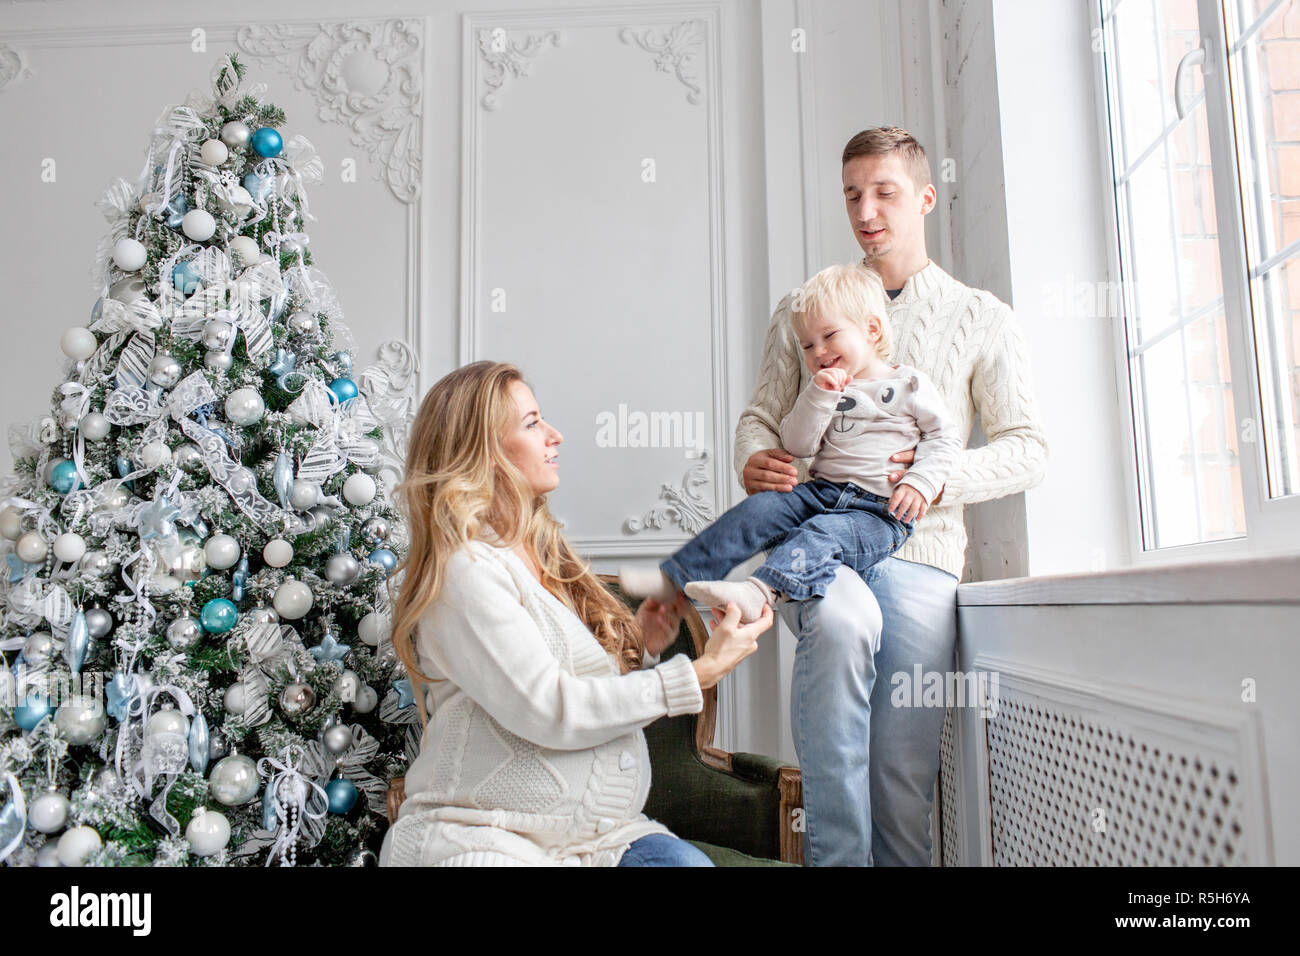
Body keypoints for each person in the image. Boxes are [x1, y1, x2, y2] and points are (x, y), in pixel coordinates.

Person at [732, 127, 1048, 865]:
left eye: (885, 192)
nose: (866, 211)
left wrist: (932, 476)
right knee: (840, 628)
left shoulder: (982, 317)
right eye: (852, 194)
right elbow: (759, 417)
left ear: (926, 197)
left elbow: (1029, 447)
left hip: (921, 555)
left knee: (901, 781)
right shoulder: (804, 309)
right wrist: (756, 457)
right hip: (824, 543)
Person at [378, 360, 772, 867]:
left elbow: (589, 695)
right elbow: (550, 709)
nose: (555, 435)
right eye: (532, 422)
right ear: (483, 453)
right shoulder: (464, 572)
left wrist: (647, 651)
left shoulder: (546, 559)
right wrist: (698, 672)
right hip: (487, 837)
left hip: (603, 839)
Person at [619, 263, 960, 625]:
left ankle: (760, 592)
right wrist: (817, 397)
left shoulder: (910, 385)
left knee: (822, 534)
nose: (818, 352)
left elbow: (945, 439)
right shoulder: (823, 389)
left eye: (830, 336)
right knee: (759, 510)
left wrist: (921, 481)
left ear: (871, 329)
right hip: (821, 493)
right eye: (808, 345)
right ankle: (675, 576)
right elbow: (797, 445)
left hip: (877, 515)